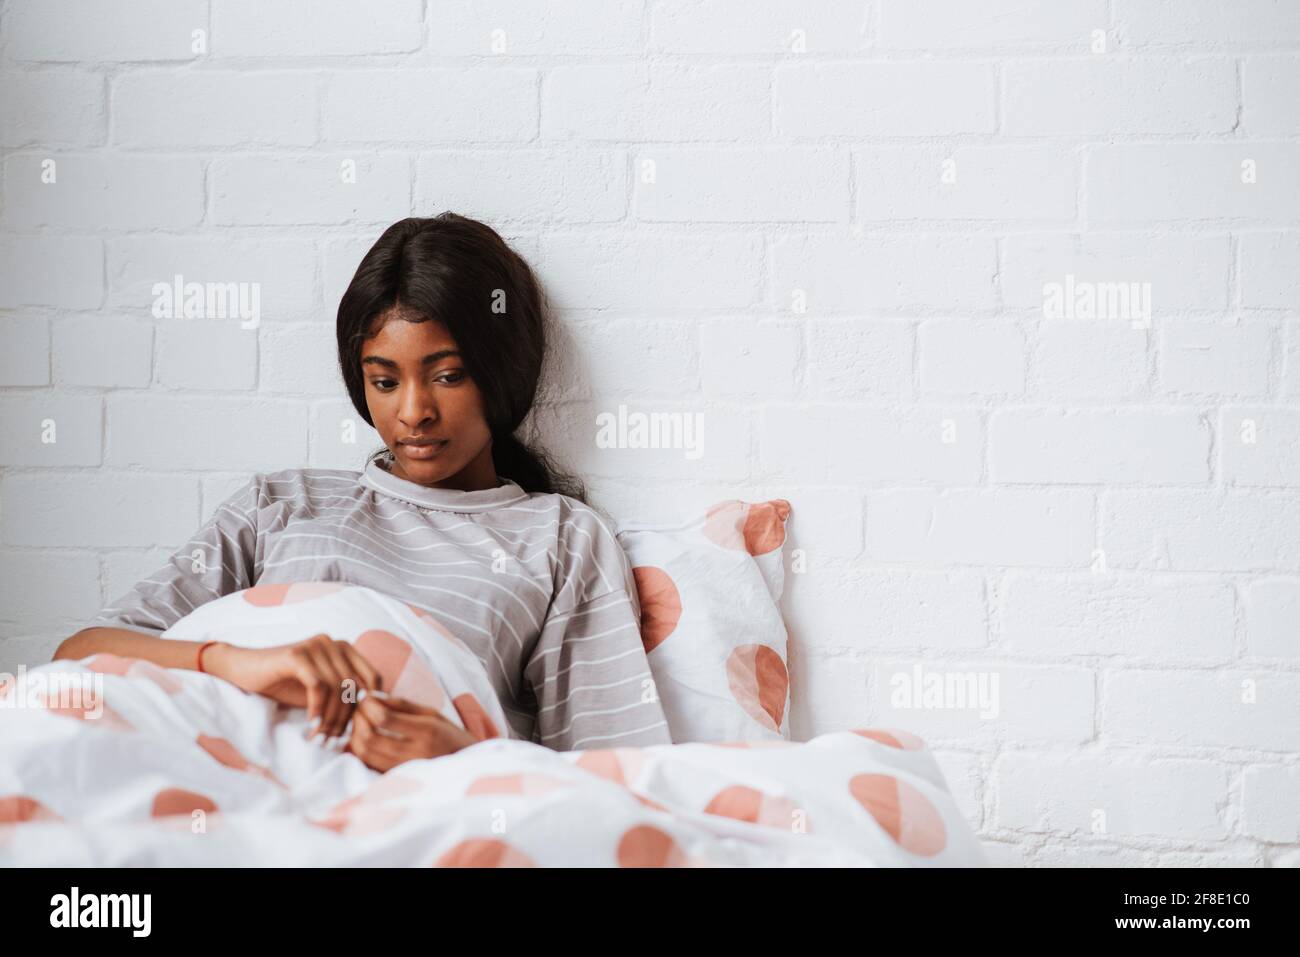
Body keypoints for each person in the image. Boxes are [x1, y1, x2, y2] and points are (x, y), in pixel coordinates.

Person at [54, 213, 672, 772]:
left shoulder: (561, 537)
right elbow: (81, 655)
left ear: (501, 371)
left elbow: (613, 774)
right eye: (383, 380)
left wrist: (463, 759)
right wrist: (237, 661)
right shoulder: (281, 503)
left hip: (419, 815)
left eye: (448, 376)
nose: (413, 412)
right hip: (222, 775)